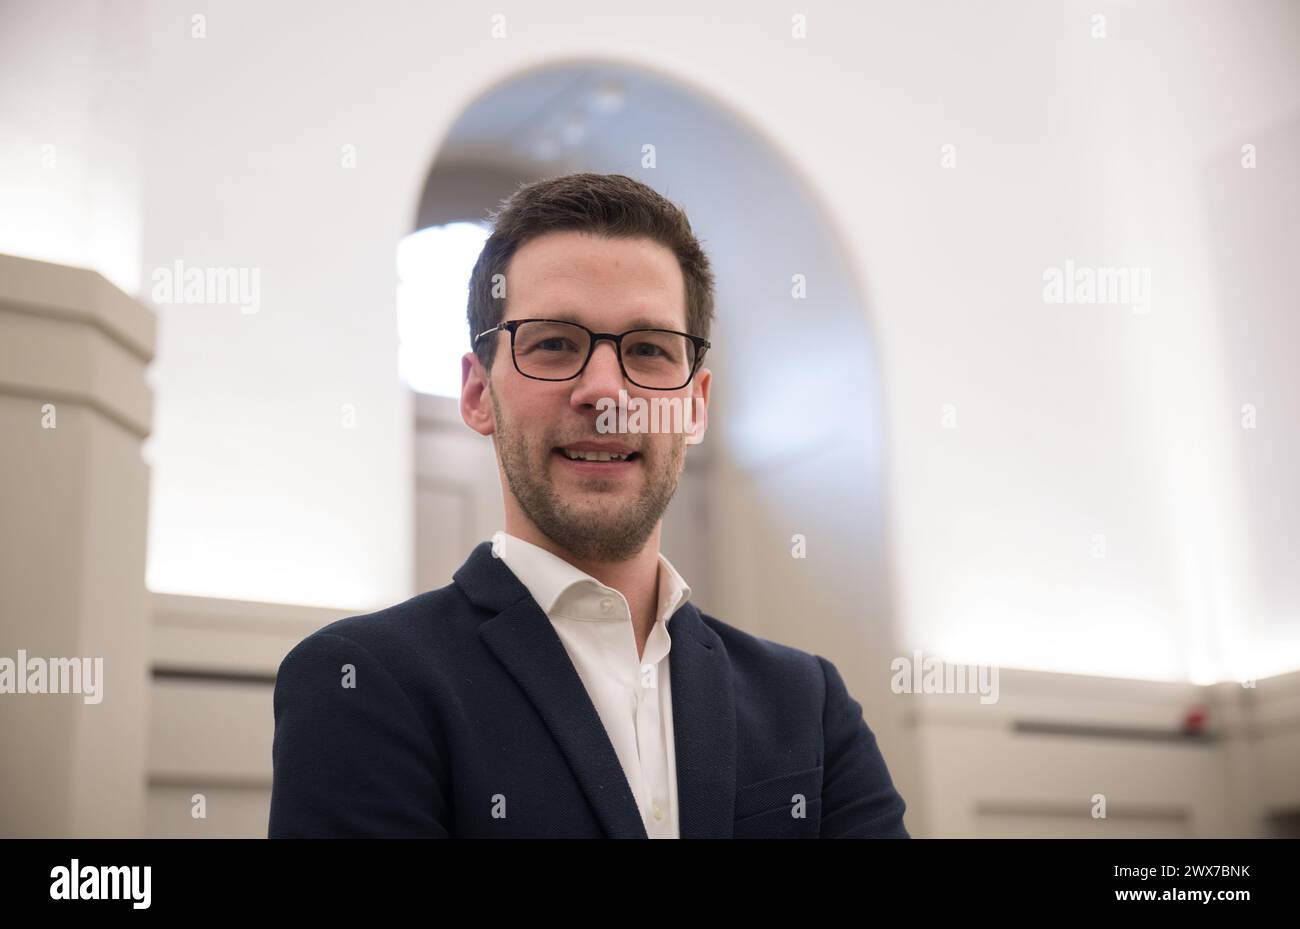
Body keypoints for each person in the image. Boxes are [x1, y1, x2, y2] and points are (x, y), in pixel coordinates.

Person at [268, 173, 909, 838]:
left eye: (649, 350)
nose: (605, 392)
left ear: (695, 404)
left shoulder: (807, 702)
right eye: (553, 343)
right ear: (478, 392)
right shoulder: (360, 684)